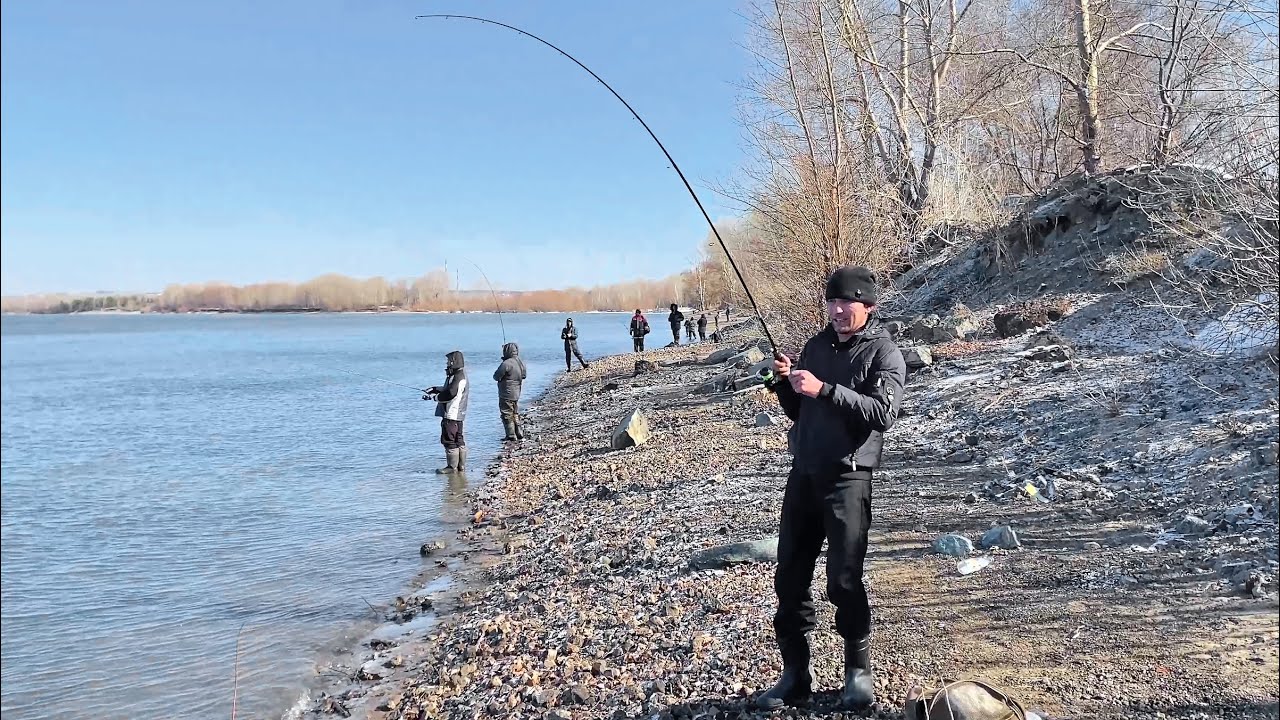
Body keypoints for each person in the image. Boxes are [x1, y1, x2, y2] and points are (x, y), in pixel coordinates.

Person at [756, 266, 907, 711]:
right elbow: (799, 412)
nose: (838, 310)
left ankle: (858, 675)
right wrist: (782, 382)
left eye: (848, 304)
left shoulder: (884, 354)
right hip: (803, 476)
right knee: (789, 578)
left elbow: (883, 413)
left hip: (848, 478)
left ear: (869, 307)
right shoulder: (815, 346)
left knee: (843, 581)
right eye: (833, 302)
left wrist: (824, 389)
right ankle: (795, 675)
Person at [424, 350, 470, 475]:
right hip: (459, 415)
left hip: (452, 414)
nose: (447, 364)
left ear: (454, 361)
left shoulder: (458, 377)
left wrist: (435, 398)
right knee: (458, 440)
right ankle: (461, 468)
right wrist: (434, 389)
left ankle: (452, 467)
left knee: (449, 440)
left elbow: (450, 393)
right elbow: (448, 389)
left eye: (449, 361)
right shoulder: (459, 375)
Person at [492, 342, 527, 442]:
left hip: (506, 393)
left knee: (506, 413)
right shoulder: (520, 362)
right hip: (517, 392)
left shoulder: (506, 364)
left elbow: (496, 376)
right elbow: (524, 376)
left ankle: (511, 435)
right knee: (514, 412)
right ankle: (519, 432)